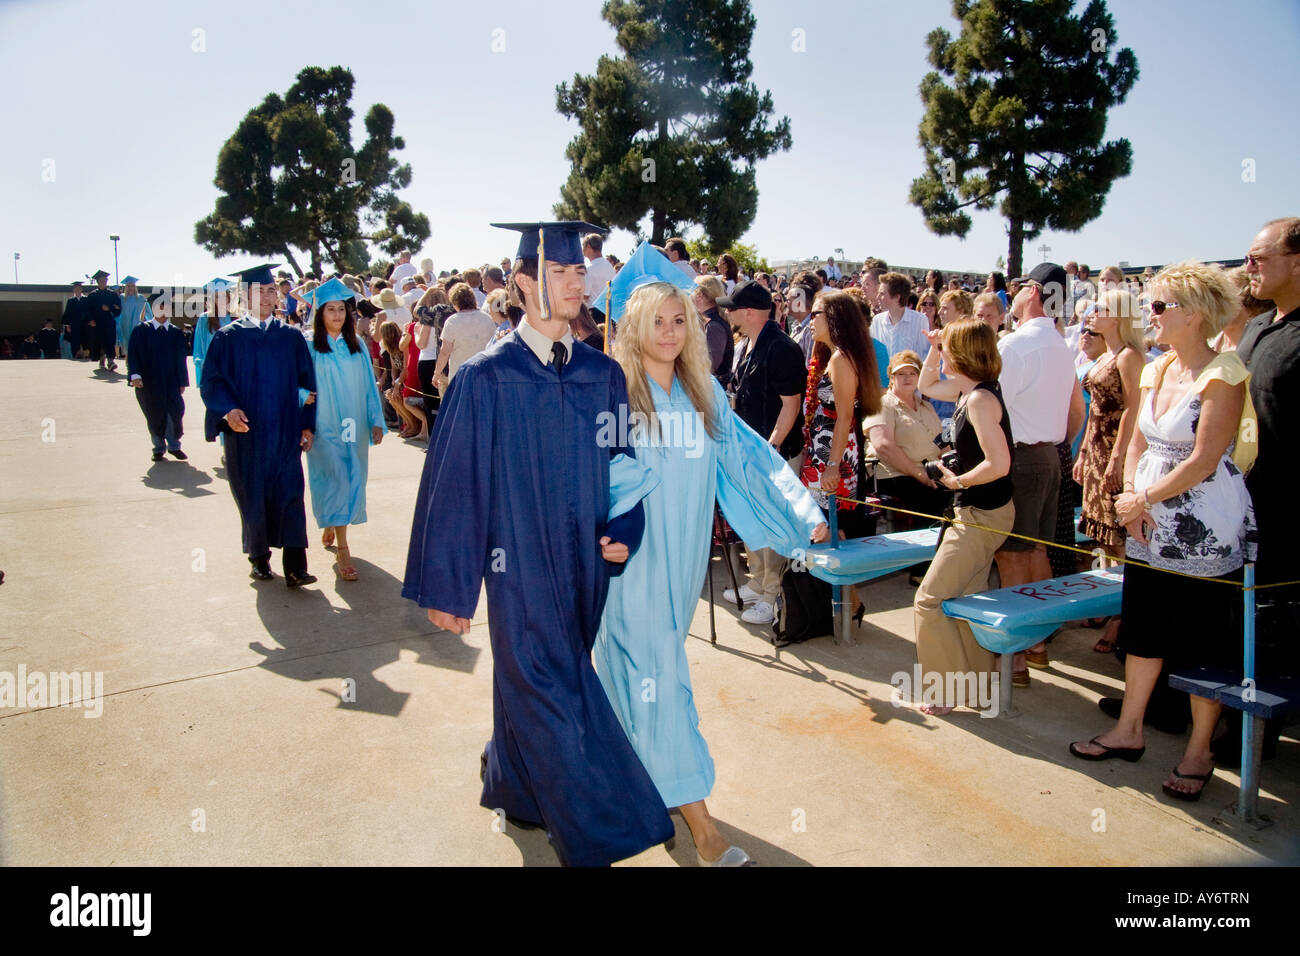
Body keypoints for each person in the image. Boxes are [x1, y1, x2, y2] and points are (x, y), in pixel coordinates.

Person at [402, 221, 673, 867]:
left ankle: (515, 787)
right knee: (553, 684)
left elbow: (622, 467)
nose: (577, 281)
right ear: (523, 285)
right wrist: (451, 584)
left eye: (580, 271)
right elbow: (457, 484)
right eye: (559, 272)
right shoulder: (487, 379)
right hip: (516, 561)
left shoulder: (602, 376)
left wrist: (621, 532)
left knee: (536, 679)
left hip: (584, 565)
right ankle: (603, 827)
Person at [596, 280, 827, 865]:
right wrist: (600, 533)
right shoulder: (615, 394)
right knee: (659, 679)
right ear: (632, 328)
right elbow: (588, 475)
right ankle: (701, 826)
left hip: (684, 570)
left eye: (680, 320)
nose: (671, 331)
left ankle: (617, 788)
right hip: (633, 569)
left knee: (636, 678)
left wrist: (799, 509)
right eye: (658, 321)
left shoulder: (704, 396)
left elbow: (749, 460)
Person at [1069, 261, 1257, 802]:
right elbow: (1136, 441)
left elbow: (1204, 459)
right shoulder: (1156, 368)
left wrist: (1142, 497)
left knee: (1201, 640)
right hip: (1147, 519)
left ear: (1194, 315)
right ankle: (1128, 731)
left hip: (1202, 527)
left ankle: (1200, 750)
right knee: (1146, 628)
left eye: (1158, 306)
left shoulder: (1225, 374)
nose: (1149, 315)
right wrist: (1130, 497)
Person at [912, 320, 1015, 715]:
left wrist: (960, 482)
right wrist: (935, 347)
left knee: (930, 600)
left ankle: (948, 690)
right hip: (980, 511)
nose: (943, 354)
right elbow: (925, 386)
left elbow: (1000, 462)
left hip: (980, 514)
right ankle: (975, 684)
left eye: (949, 347)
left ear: (965, 354)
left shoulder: (979, 399)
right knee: (963, 599)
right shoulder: (971, 390)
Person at [200, 263, 319, 588]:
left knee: (290, 494)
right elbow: (212, 382)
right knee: (253, 496)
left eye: (270, 291)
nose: (267, 297)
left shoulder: (291, 337)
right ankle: (259, 558)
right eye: (259, 291)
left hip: (284, 432)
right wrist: (227, 411)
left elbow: (308, 384)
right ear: (243, 296)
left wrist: (307, 425)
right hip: (248, 434)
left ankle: (295, 566)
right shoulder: (227, 338)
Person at [995, 262, 1085, 683]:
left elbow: (994, 409)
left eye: (1016, 287)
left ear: (1032, 291)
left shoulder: (1016, 345)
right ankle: (1037, 645)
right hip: (1051, 455)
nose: (1011, 293)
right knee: (1036, 552)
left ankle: (1016, 655)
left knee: (1013, 555)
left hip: (1023, 458)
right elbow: (1073, 414)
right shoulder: (1060, 345)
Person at [720, 279, 807, 624]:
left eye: (732, 307)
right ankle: (757, 583)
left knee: (774, 525)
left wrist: (772, 447)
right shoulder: (747, 343)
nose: (727, 312)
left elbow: (791, 405)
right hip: (748, 450)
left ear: (750, 312)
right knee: (751, 521)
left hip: (773, 453)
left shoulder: (782, 347)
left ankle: (773, 596)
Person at [800, 289, 883, 614]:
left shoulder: (841, 360)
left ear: (833, 319)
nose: (809, 319)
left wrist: (832, 465)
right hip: (823, 453)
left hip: (837, 458)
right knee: (828, 530)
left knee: (835, 530)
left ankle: (849, 605)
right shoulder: (831, 356)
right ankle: (847, 604)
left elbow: (845, 417)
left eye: (816, 313)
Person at [1072, 289, 1145, 651]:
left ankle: (1121, 621)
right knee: (1103, 537)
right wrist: (1085, 451)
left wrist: (1117, 457)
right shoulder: (1107, 355)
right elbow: (1094, 409)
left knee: (1119, 540)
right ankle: (1112, 609)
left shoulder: (1130, 356)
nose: (1092, 313)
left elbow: (1134, 408)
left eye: (1100, 308)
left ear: (1117, 316)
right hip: (1097, 450)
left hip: (1117, 451)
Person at [302, 279, 386, 583]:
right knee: (333, 477)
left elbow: (368, 383)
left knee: (352, 478)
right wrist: (301, 401)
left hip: (353, 424)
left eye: (342, 309)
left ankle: (332, 523)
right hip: (323, 425)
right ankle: (343, 550)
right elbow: (297, 382)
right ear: (320, 313)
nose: (338, 315)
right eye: (331, 309)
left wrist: (375, 419)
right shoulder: (309, 344)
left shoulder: (357, 344)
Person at [866, 350, 951, 521]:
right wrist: (921, 475)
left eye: (913, 373)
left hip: (932, 472)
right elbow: (883, 446)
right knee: (934, 502)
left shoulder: (927, 407)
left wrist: (949, 470)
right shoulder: (882, 405)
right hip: (896, 477)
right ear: (891, 377)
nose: (907, 378)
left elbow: (943, 444)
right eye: (901, 374)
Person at [127, 292, 189, 462]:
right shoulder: (141, 330)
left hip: (170, 382)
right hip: (149, 382)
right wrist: (135, 375)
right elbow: (133, 355)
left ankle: (174, 446)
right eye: (161, 306)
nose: (164, 309)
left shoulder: (175, 332)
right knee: (154, 414)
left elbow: (180, 359)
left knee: (174, 413)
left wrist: (182, 381)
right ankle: (158, 447)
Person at [432, 283, 497, 392]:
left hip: (461, 377)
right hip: (485, 375)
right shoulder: (487, 318)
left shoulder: (452, 321)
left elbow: (444, 351)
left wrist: (437, 373)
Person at [871, 272, 931, 359]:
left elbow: (923, 356)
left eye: (882, 293)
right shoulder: (877, 321)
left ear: (897, 297)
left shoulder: (920, 320)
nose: (878, 297)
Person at [1214, 266, 1273, 353]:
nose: (1216, 304)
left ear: (1252, 309)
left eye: (1226, 299)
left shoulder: (1261, 352)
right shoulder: (1204, 345)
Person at [192, 278, 235, 385]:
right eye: (217, 296)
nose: (221, 299)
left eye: (224, 296)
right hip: (212, 371)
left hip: (232, 370)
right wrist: (202, 364)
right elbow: (198, 346)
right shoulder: (205, 319)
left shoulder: (235, 318)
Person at [691, 275, 732, 388]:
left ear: (699, 296)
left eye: (691, 292)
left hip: (713, 390)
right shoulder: (710, 321)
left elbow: (709, 365)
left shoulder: (713, 325)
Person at [84, 270, 122, 370]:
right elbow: (87, 309)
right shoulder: (92, 295)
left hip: (109, 321)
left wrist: (109, 308)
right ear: (98, 281)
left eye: (105, 280)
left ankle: (110, 361)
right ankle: (102, 358)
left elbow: (118, 308)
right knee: (99, 342)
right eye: (101, 280)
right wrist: (90, 320)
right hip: (97, 323)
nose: (103, 282)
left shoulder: (112, 294)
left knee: (109, 341)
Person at [117, 277, 152, 359]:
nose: (130, 287)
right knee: (127, 343)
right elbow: (117, 310)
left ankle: (136, 362)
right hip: (125, 324)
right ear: (126, 287)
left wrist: (149, 321)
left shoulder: (141, 298)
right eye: (128, 286)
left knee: (137, 343)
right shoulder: (121, 298)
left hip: (137, 324)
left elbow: (147, 311)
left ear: (135, 286)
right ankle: (128, 361)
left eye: (132, 285)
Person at [62, 280, 90, 360]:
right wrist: (67, 325)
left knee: (85, 340)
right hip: (74, 324)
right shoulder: (71, 301)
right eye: (76, 289)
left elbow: (89, 312)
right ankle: (76, 355)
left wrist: (90, 321)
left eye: (79, 288)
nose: (77, 290)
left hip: (85, 324)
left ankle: (85, 355)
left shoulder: (86, 299)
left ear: (81, 289)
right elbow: (67, 313)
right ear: (73, 290)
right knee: (75, 341)